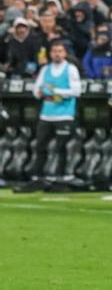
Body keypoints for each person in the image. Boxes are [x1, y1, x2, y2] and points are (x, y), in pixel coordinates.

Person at [23, 40, 81, 189]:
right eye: (54, 51)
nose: (57, 54)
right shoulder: (45, 69)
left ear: (65, 53)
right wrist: (41, 92)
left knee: (61, 148)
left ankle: (60, 177)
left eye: (60, 51)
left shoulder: (70, 69)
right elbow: (36, 91)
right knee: (40, 146)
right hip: (46, 114)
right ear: (50, 53)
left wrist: (54, 91)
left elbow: (76, 91)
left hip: (64, 114)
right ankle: (37, 176)